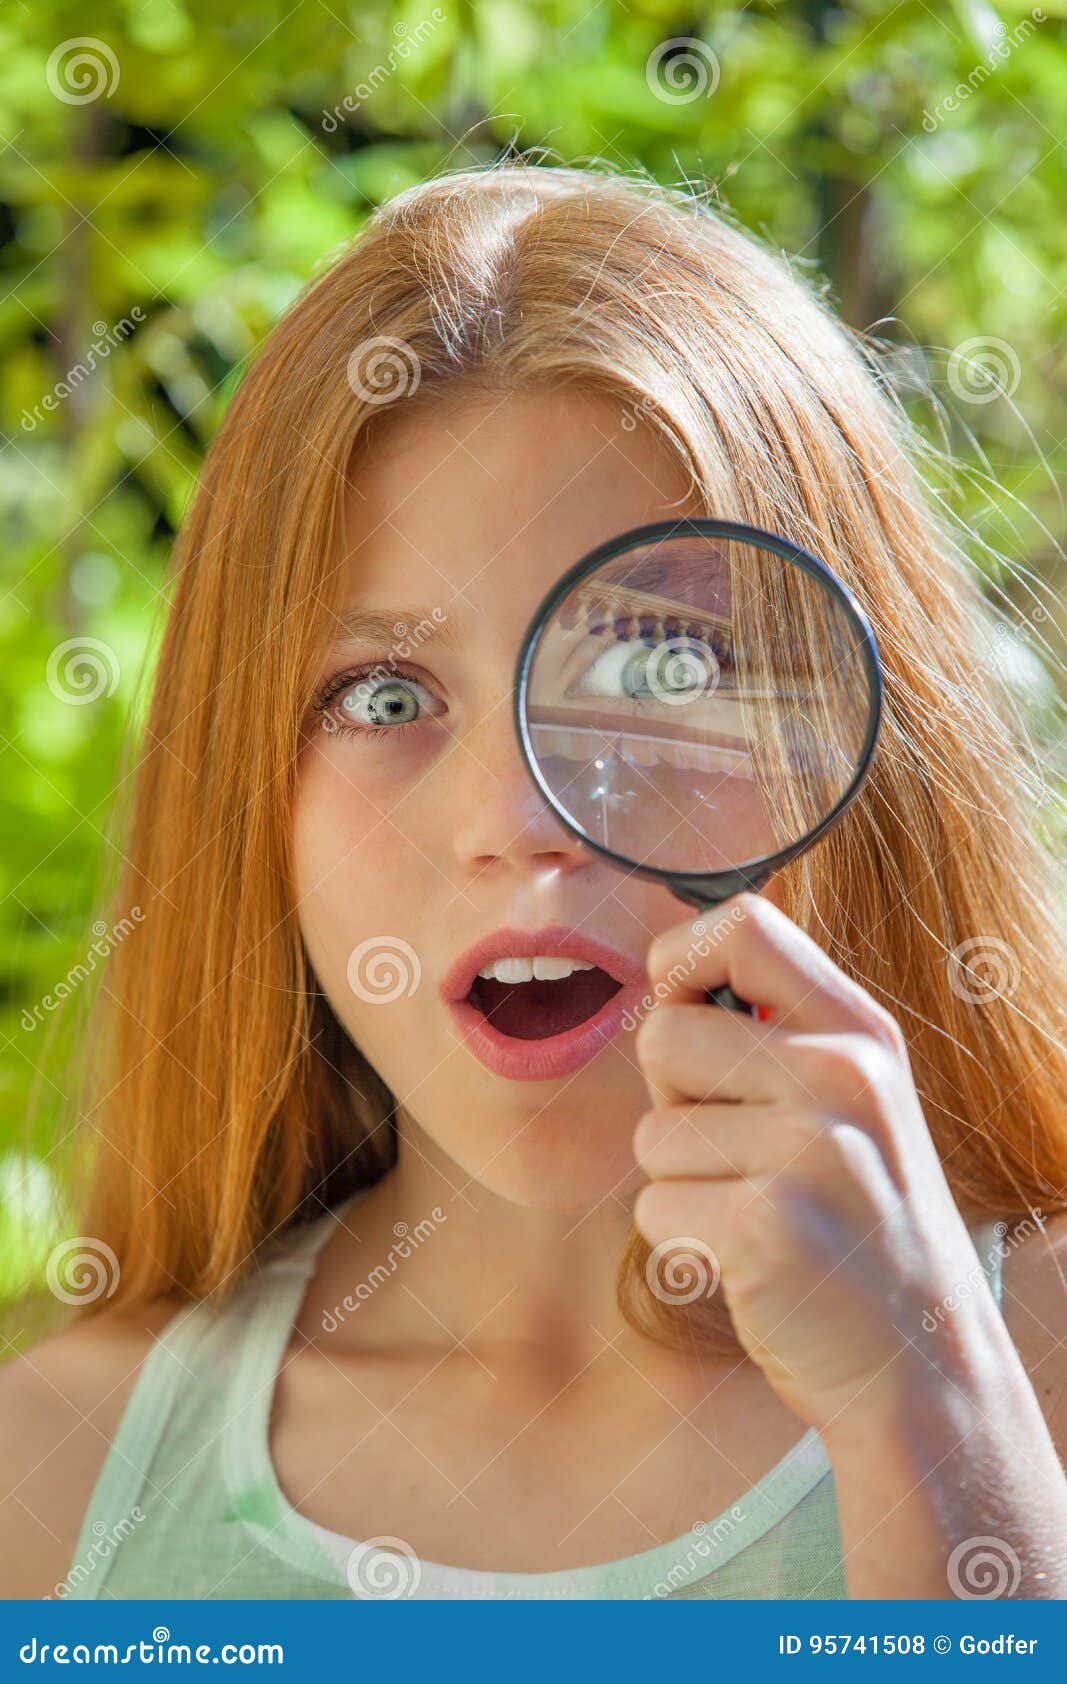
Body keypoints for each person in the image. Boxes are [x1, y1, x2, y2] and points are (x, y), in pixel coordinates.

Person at [2, 162, 1065, 1601]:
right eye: (383, 695)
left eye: (662, 667)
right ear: (244, 791)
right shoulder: (61, 1479)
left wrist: (932, 1419)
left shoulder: (1029, 1371)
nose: (516, 821)